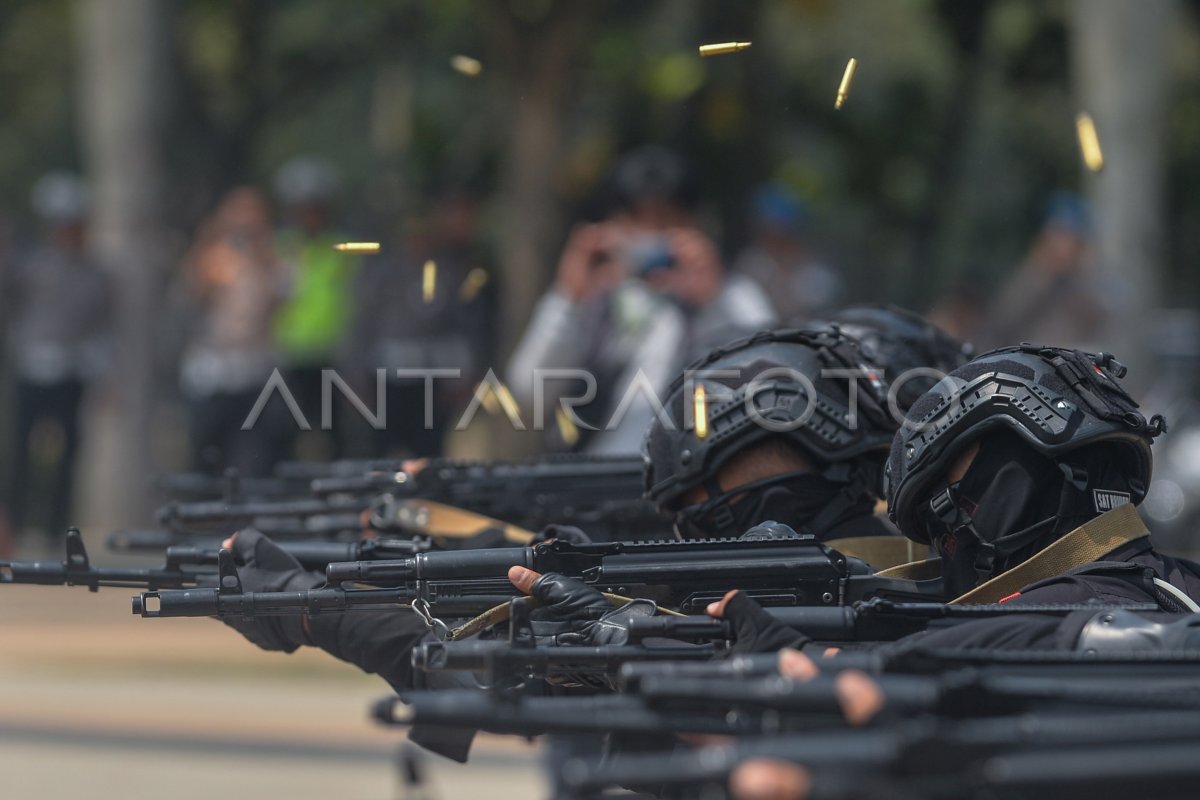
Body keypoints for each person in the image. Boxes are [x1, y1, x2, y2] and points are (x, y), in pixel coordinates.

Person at [506, 145, 776, 454]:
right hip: (593, 482)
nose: (650, 232)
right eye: (636, 218)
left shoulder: (736, 296)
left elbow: (769, 384)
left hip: (696, 485)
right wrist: (568, 300)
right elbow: (528, 391)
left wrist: (713, 302)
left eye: (666, 219)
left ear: (696, 223)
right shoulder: (593, 298)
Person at [0, 172, 112, 547]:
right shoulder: (31, 265)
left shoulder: (95, 273)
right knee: (21, 450)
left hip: (72, 370)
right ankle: (11, 526)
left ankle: (55, 530)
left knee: (67, 454)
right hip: (33, 367)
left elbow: (103, 324)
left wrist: (103, 373)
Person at [346, 187, 497, 458]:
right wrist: (355, 376)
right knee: (381, 450)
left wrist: (467, 374)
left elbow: (467, 327)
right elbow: (363, 324)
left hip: (433, 382)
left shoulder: (451, 273)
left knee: (429, 450)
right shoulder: (384, 274)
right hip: (386, 379)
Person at [176, 187, 286, 475]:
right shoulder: (211, 256)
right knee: (207, 453)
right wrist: (210, 240)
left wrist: (262, 251)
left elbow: (282, 297)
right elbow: (190, 294)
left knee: (256, 455)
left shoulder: (272, 258)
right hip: (213, 370)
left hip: (255, 370)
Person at [267, 156, 361, 460]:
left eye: (316, 207)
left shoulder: (344, 248)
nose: (310, 216)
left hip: (333, 356)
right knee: (282, 434)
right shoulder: (279, 248)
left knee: (338, 437)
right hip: (288, 356)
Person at [983, 194, 1111, 351]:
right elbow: (1003, 320)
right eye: (1059, 236)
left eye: (1072, 239)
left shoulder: (1087, 282)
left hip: (1074, 364)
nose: (1064, 247)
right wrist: (1040, 273)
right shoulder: (1033, 275)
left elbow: (1102, 325)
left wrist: (1084, 274)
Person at [733, 183, 843, 323]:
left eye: (784, 231)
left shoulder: (816, 267)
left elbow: (828, 306)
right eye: (770, 228)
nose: (776, 234)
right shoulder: (751, 265)